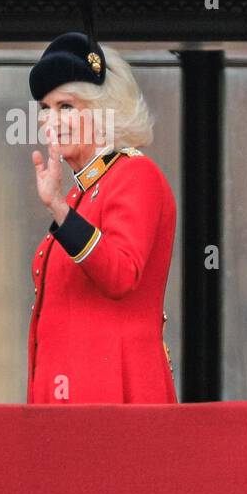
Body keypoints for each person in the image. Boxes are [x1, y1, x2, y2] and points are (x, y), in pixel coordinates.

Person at [26, 32, 176, 403]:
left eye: (66, 107)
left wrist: (58, 209)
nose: (51, 120)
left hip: (115, 395)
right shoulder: (82, 192)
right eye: (45, 108)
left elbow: (121, 273)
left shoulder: (136, 175)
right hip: (70, 396)